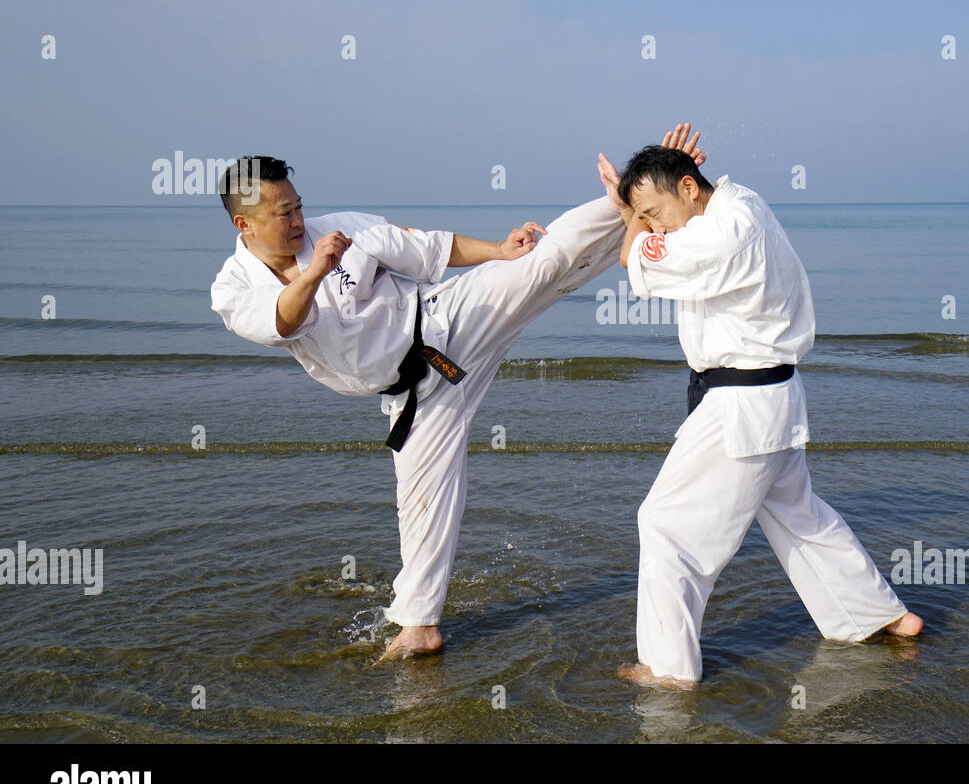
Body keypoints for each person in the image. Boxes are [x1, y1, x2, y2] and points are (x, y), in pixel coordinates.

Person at [210, 131, 704, 661]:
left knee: (541, 266)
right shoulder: (234, 289)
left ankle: (639, 201)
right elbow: (283, 320)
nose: (299, 221)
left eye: (299, 206)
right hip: (415, 395)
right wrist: (313, 274)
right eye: (284, 213)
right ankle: (420, 627)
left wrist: (498, 250)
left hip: (447, 321)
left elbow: (425, 247)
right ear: (245, 223)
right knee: (421, 503)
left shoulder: (340, 229)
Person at [597, 139, 923, 688]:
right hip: (771, 398)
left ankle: (669, 669)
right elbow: (664, 228)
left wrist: (627, 214)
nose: (655, 226)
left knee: (666, 527)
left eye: (656, 213)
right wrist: (646, 199)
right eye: (646, 217)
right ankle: (884, 616)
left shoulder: (718, 234)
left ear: (688, 187)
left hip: (740, 405)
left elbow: (633, 260)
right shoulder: (742, 201)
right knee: (799, 516)